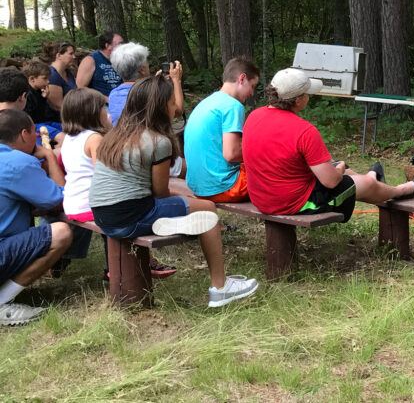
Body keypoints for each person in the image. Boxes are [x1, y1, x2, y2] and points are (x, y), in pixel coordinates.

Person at [89, 75, 257, 307]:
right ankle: (220, 288)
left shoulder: (114, 136)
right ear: (159, 108)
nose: (175, 108)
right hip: (132, 216)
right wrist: (184, 199)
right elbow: (160, 192)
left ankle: (173, 221)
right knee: (207, 211)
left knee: (188, 206)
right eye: (171, 103)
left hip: (103, 216)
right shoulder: (158, 142)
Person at [242, 69, 414, 216]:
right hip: (292, 203)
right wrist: (339, 169)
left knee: (335, 166)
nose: (310, 97)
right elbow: (331, 182)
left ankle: (375, 180)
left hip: (262, 198)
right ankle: (399, 190)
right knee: (355, 180)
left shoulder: (254, 116)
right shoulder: (304, 130)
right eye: (308, 94)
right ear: (298, 100)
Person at [0, 109, 72, 325]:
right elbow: (60, 200)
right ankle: (3, 301)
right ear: (24, 134)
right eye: (35, 134)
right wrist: (50, 156)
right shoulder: (18, 162)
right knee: (60, 232)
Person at [184, 57, 260, 203]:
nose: (252, 93)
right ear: (242, 79)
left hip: (197, 187)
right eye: (252, 86)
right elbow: (231, 154)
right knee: (275, 167)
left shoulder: (207, 102)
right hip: (224, 187)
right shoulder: (232, 106)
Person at [107, 42, 184, 125]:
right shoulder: (150, 93)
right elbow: (177, 111)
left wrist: (154, 83)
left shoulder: (113, 94)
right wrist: (176, 80)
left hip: (121, 137)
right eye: (147, 62)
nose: (148, 65)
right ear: (142, 70)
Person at [21, 60, 64, 141]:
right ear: (32, 79)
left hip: (45, 123)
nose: (48, 81)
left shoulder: (39, 91)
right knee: (61, 134)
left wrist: (45, 98)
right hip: (36, 126)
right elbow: (35, 117)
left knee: (64, 127)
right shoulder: (27, 95)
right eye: (45, 78)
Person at [75, 31, 123, 97]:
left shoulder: (120, 60)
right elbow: (80, 88)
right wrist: (105, 99)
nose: (123, 46)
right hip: (101, 104)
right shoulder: (90, 60)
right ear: (108, 45)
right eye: (120, 44)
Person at [46, 42, 76, 113]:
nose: (74, 57)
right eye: (71, 54)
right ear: (59, 55)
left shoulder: (68, 72)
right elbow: (58, 106)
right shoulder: (52, 75)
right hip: (59, 118)